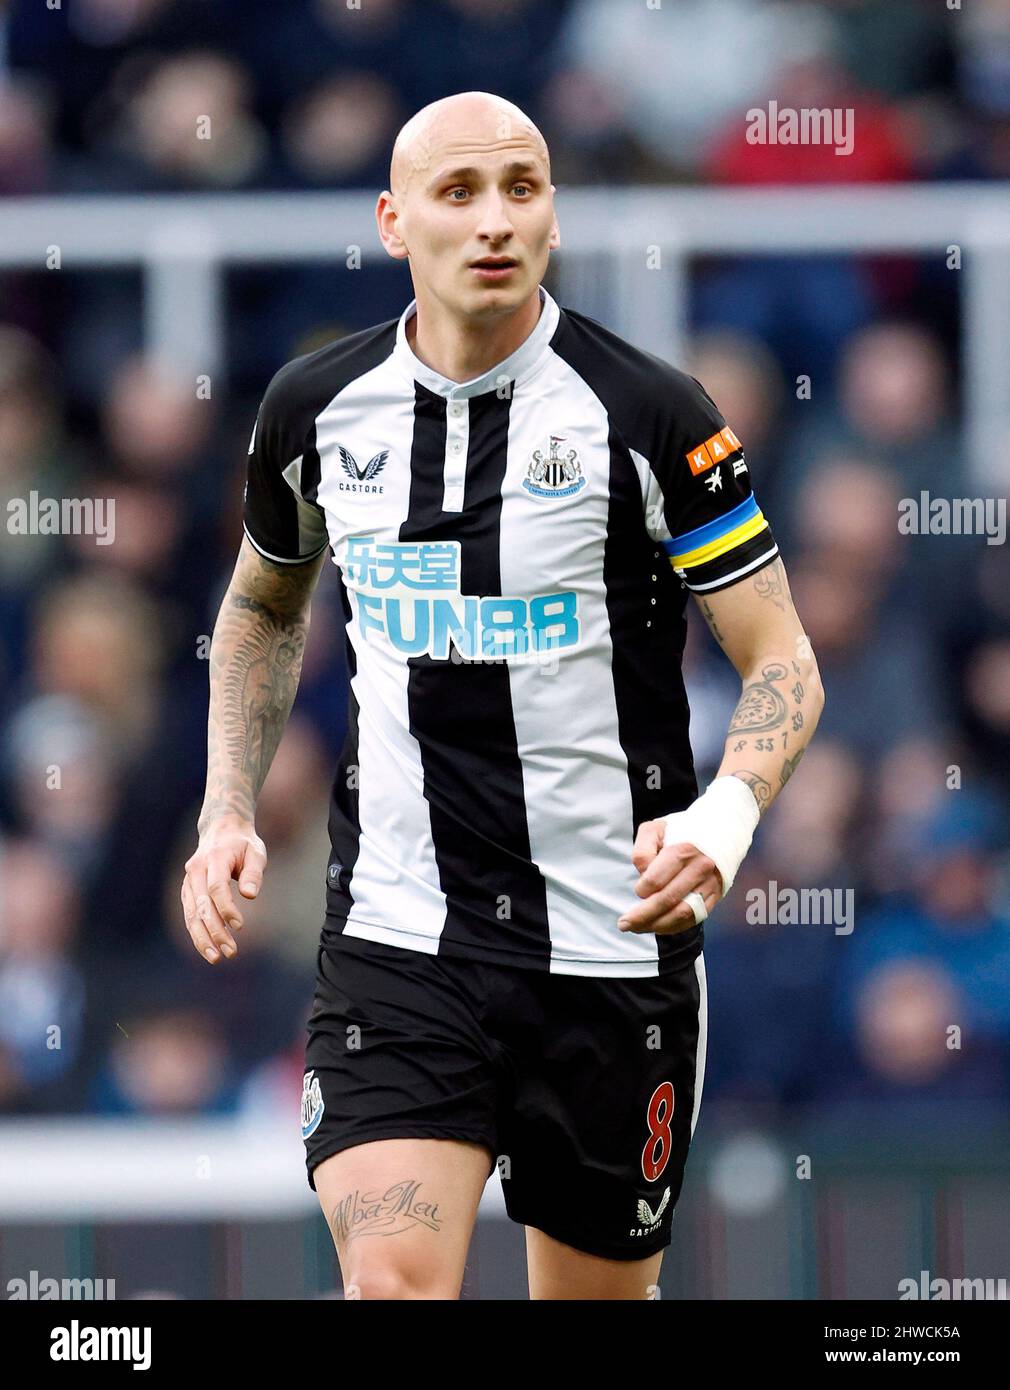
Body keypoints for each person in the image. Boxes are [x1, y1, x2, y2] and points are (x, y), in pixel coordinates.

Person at [180, 90, 824, 1300]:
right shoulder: (311, 412)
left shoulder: (649, 417)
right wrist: (227, 808)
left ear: (552, 218)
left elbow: (781, 655)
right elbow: (263, 604)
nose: (494, 221)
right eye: (458, 193)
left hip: (608, 943)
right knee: (392, 1287)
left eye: (521, 190)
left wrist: (723, 818)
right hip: (400, 939)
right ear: (392, 220)